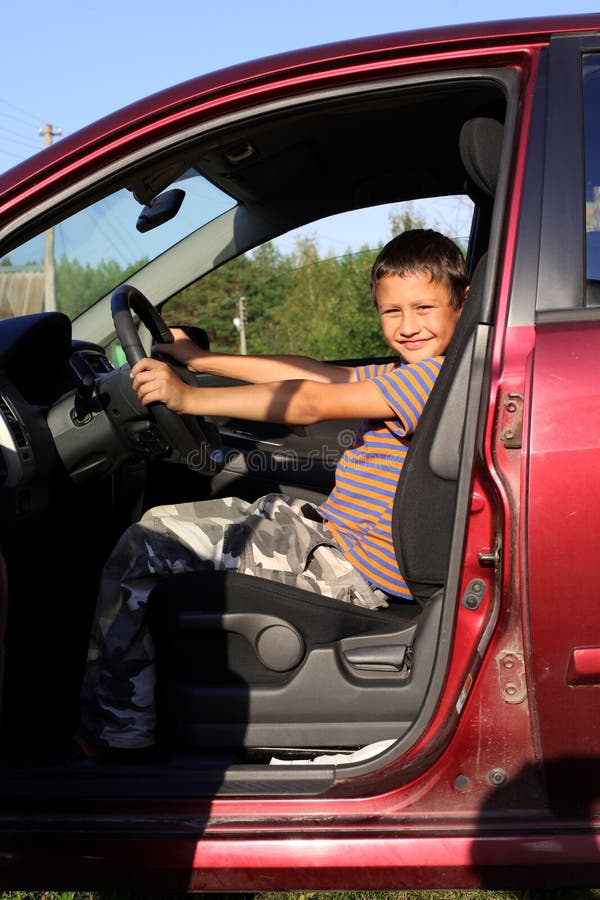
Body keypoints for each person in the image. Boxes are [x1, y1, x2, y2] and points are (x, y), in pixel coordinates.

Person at [77, 228, 469, 754]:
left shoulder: (438, 378)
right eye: (391, 312)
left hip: (348, 568)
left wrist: (190, 399)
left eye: (424, 308)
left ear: (462, 302)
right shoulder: (417, 373)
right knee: (168, 523)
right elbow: (310, 372)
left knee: (144, 546)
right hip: (322, 535)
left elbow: (307, 402)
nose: (407, 326)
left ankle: (116, 735)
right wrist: (199, 360)